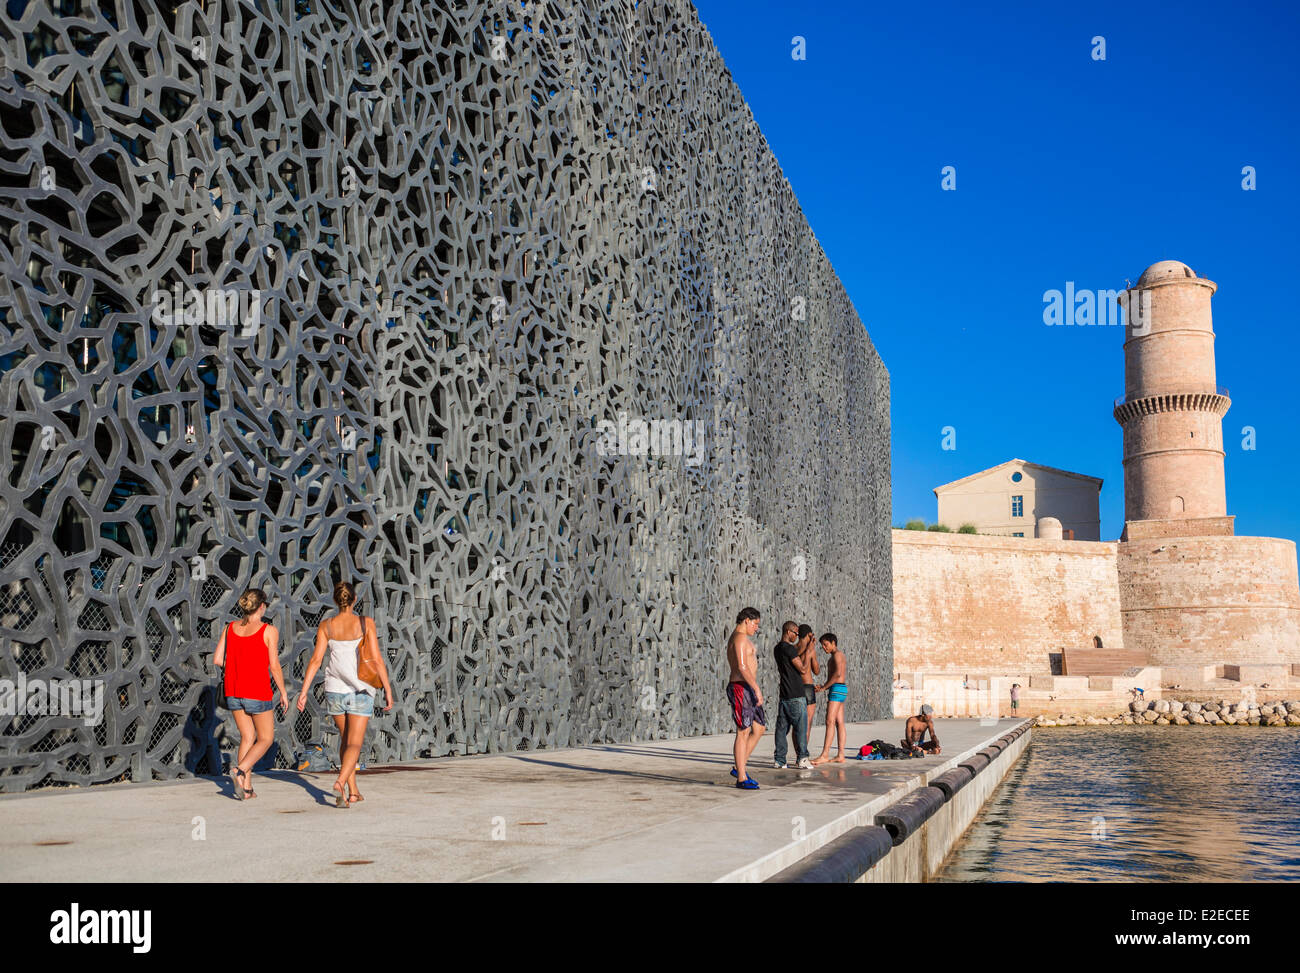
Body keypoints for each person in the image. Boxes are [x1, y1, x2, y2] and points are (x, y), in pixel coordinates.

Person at [298, 582, 394, 807]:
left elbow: (315, 661)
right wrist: (388, 689)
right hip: (360, 690)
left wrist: (304, 692)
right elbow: (377, 659)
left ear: (335, 600)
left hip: (334, 691)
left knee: (345, 741)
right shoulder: (365, 623)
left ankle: (353, 791)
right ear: (354, 599)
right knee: (354, 744)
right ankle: (341, 782)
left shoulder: (327, 625)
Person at [212, 588, 290, 801]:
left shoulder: (230, 628)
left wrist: (238, 664)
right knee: (265, 738)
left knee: (247, 736)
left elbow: (218, 659)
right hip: (257, 691)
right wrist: (283, 692)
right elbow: (274, 666)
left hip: (233, 691)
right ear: (262, 606)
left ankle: (246, 788)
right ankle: (240, 770)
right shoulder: (268, 630)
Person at [725, 607, 766, 790]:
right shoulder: (740, 639)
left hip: (748, 687)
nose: (756, 628)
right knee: (743, 731)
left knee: (759, 728)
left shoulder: (742, 638)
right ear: (746, 620)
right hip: (742, 688)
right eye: (755, 624)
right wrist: (756, 689)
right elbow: (742, 667)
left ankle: (738, 766)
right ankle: (741, 777)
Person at [772, 621, 814, 770]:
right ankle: (802, 758)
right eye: (795, 633)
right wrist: (808, 654)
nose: (797, 636)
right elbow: (802, 669)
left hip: (784, 694)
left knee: (782, 730)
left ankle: (780, 760)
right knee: (801, 729)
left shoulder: (777, 649)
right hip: (796, 694)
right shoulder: (790, 649)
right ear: (788, 631)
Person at [811, 633, 847, 765]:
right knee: (839, 722)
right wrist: (824, 686)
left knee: (829, 721)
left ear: (833, 643)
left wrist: (824, 687)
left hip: (837, 689)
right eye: (822, 646)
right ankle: (841, 754)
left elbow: (837, 674)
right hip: (841, 688)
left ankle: (825, 754)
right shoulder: (838, 656)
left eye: (826, 645)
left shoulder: (836, 656)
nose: (824, 648)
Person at [798, 624, 820, 734]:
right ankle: (803, 749)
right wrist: (812, 651)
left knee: (797, 722)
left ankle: (798, 748)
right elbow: (816, 671)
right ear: (810, 635)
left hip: (795, 687)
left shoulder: (793, 649)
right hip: (807, 687)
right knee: (807, 721)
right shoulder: (810, 651)